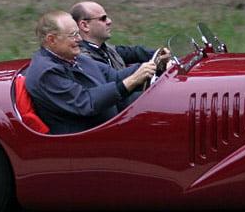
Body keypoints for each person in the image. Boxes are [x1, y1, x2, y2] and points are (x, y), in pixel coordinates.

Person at [25, 11, 156, 135]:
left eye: (78, 33)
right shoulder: (46, 73)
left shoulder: (74, 57)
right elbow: (86, 103)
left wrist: (154, 66)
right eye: (73, 35)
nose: (80, 39)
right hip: (85, 139)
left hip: (111, 121)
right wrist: (132, 81)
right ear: (51, 39)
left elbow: (113, 77)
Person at [70, 1, 170, 70]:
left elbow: (134, 52)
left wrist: (159, 54)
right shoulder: (84, 59)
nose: (109, 21)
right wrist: (147, 68)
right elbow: (114, 78)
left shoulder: (106, 49)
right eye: (103, 18)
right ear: (85, 25)